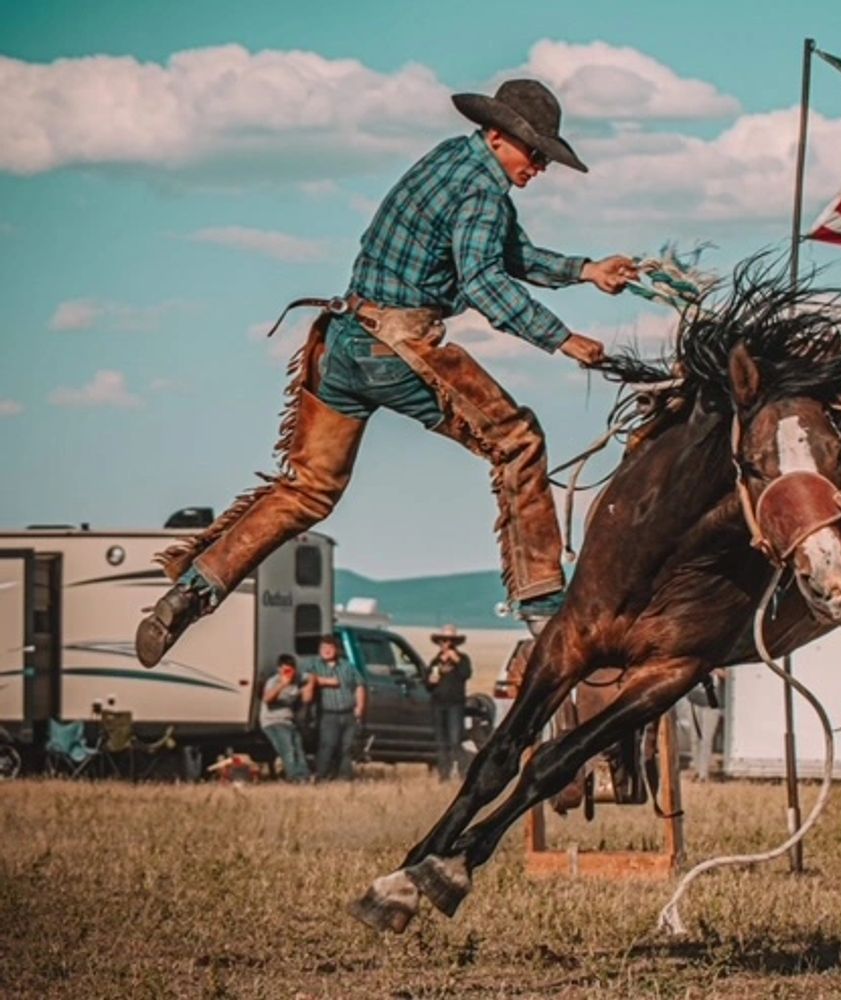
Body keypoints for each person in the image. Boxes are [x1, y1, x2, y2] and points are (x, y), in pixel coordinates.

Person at [135, 78, 639, 669]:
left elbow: (502, 253)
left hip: (341, 340)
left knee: (307, 488)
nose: (540, 168)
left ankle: (193, 590)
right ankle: (542, 606)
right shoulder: (483, 192)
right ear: (500, 137)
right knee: (517, 440)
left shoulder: (450, 160)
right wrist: (562, 338)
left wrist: (585, 269)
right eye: (535, 154)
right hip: (395, 346)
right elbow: (483, 280)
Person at [301, 634, 366, 781]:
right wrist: (325, 681)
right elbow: (305, 678)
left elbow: (359, 685)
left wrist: (360, 707)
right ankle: (321, 776)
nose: (326, 651)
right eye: (323, 647)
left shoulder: (347, 666)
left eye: (330, 648)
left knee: (346, 748)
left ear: (336, 649)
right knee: (327, 746)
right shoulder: (314, 665)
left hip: (349, 713)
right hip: (328, 714)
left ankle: (344, 778)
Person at [427, 625, 473, 781]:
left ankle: (463, 772)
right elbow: (427, 683)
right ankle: (444, 774)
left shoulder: (463, 659)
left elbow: (466, 674)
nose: (446, 644)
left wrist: (456, 660)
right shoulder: (435, 661)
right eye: (444, 640)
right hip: (438, 704)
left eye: (450, 641)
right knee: (441, 741)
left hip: (455, 704)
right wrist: (431, 680)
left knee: (455, 740)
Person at [259, 653, 310, 782]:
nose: (288, 672)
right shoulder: (274, 681)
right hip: (273, 720)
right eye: (285, 669)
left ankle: (304, 776)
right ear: (279, 669)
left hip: (289, 721)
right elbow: (267, 698)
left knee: (298, 747)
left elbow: (312, 678)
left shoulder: (297, 679)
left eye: (291, 669)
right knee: (288, 748)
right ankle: (294, 776)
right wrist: (282, 684)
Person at [686, 668, 727, 781]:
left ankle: (703, 774)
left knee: (706, 739)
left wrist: (716, 671)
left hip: (712, 703)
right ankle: (697, 769)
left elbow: (729, 676)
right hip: (694, 701)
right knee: (694, 739)